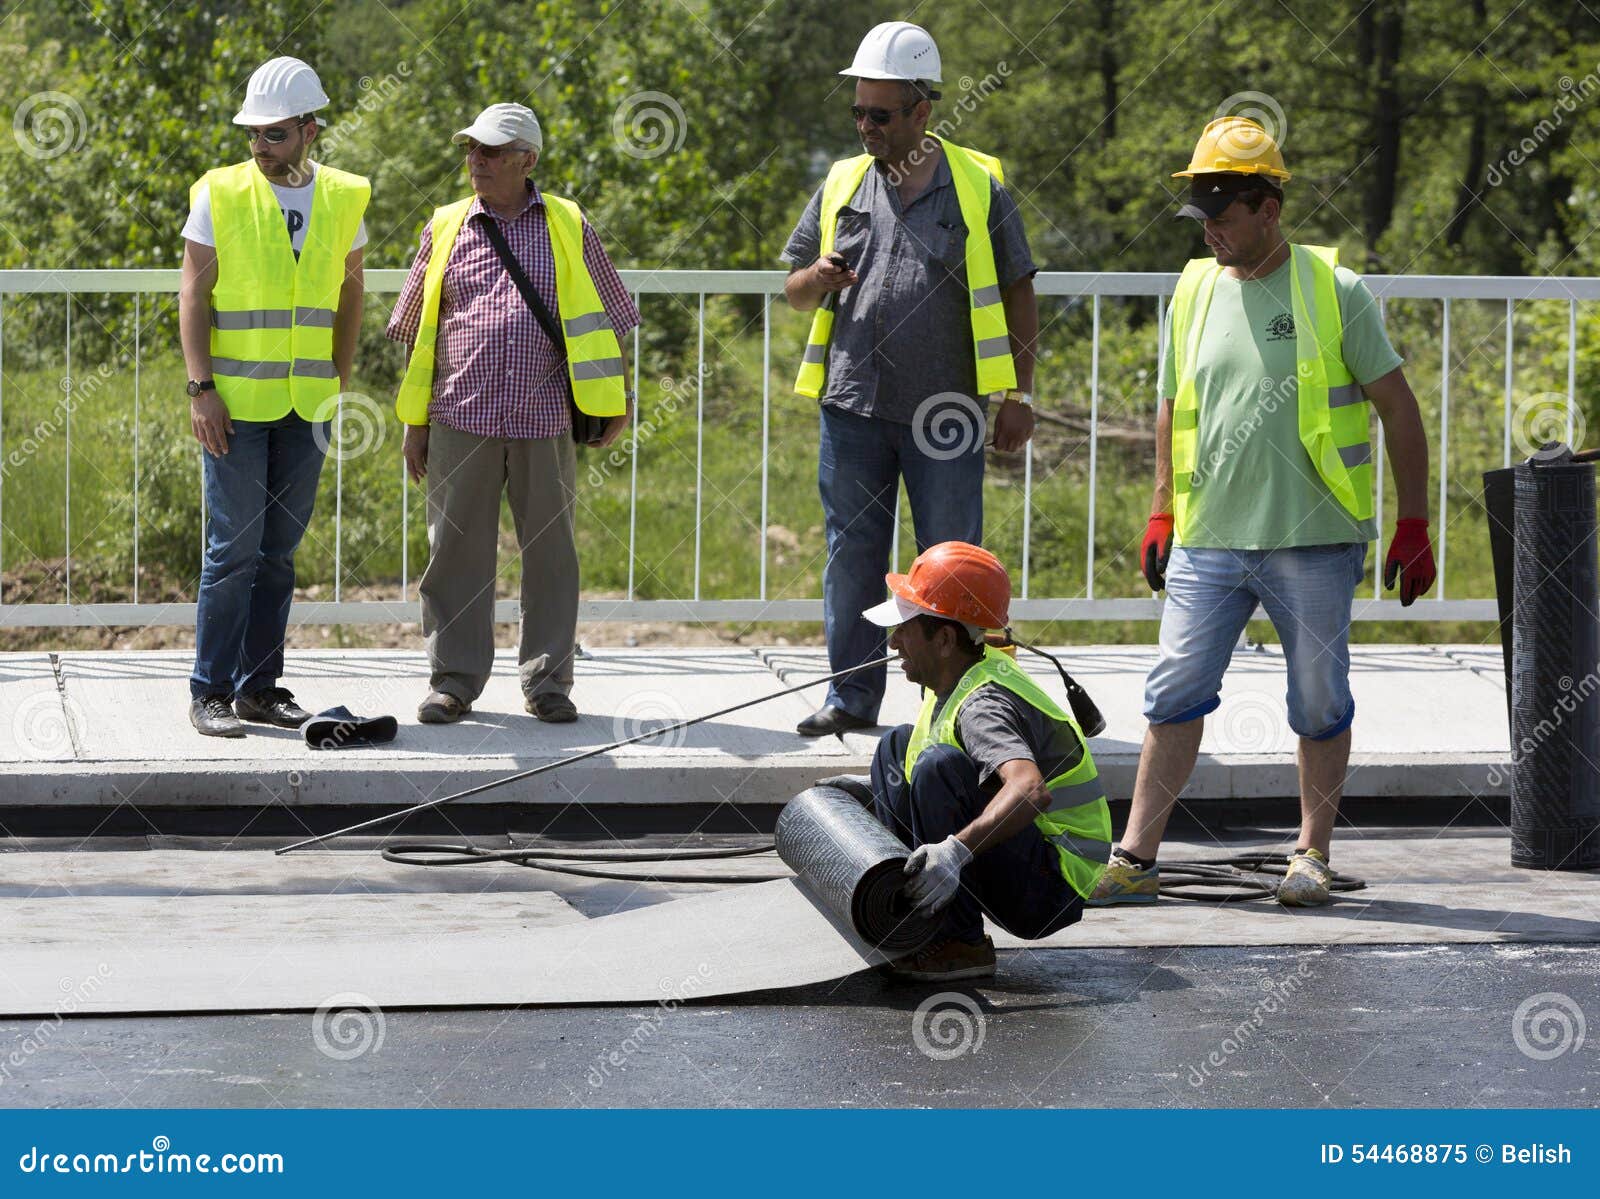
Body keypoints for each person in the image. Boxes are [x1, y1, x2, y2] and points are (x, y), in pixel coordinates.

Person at [1093, 116, 1436, 907]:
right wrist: (1160, 512)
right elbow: (1173, 406)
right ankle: (1136, 856)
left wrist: (1414, 523)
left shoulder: (1333, 291)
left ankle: (1310, 853)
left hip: (1312, 540)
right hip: (1208, 538)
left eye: (1223, 215)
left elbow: (1400, 409)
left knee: (1318, 699)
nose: (1209, 230)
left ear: (1269, 208)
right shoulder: (1193, 288)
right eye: (1202, 217)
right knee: (1173, 691)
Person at [781, 21, 1038, 738]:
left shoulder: (979, 188)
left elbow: (1020, 290)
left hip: (946, 410)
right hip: (853, 403)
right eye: (858, 112)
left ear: (923, 112)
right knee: (852, 555)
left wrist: (1018, 393)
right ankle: (851, 698)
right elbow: (795, 289)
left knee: (950, 563)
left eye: (881, 114)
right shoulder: (842, 181)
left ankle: (957, 711)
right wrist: (816, 277)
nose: (867, 126)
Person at [387, 103, 635, 725]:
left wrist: (618, 397)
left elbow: (610, 314)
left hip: (545, 419)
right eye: (472, 149)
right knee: (454, 556)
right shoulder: (446, 224)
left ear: (528, 160)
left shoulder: (568, 222)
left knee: (552, 555)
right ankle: (452, 681)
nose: (477, 161)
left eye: (492, 152)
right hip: (457, 416)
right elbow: (418, 332)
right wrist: (415, 427)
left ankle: (548, 683)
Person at [180, 56, 369, 737]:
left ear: (310, 131)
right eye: (253, 134)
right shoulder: (221, 193)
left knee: (279, 552)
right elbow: (193, 294)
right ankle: (210, 689)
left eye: (275, 135)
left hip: (307, 406)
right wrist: (200, 388)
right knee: (234, 548)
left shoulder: (344, 197)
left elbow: (351, 295)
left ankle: (260, 688)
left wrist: (338, 383)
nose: (260, 147)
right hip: (232, 404)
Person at [839, 541, 1111, 982]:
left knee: (938, 768)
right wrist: (870, 793)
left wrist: (955, 853)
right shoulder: (951, 682)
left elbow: (1030, 789)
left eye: (905, 628)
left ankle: (960, 943)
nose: (894, 642)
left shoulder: (982, 704)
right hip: (1026, 858)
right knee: (897, 746)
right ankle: (904, 918)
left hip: (1052, 883)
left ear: (945, 639)